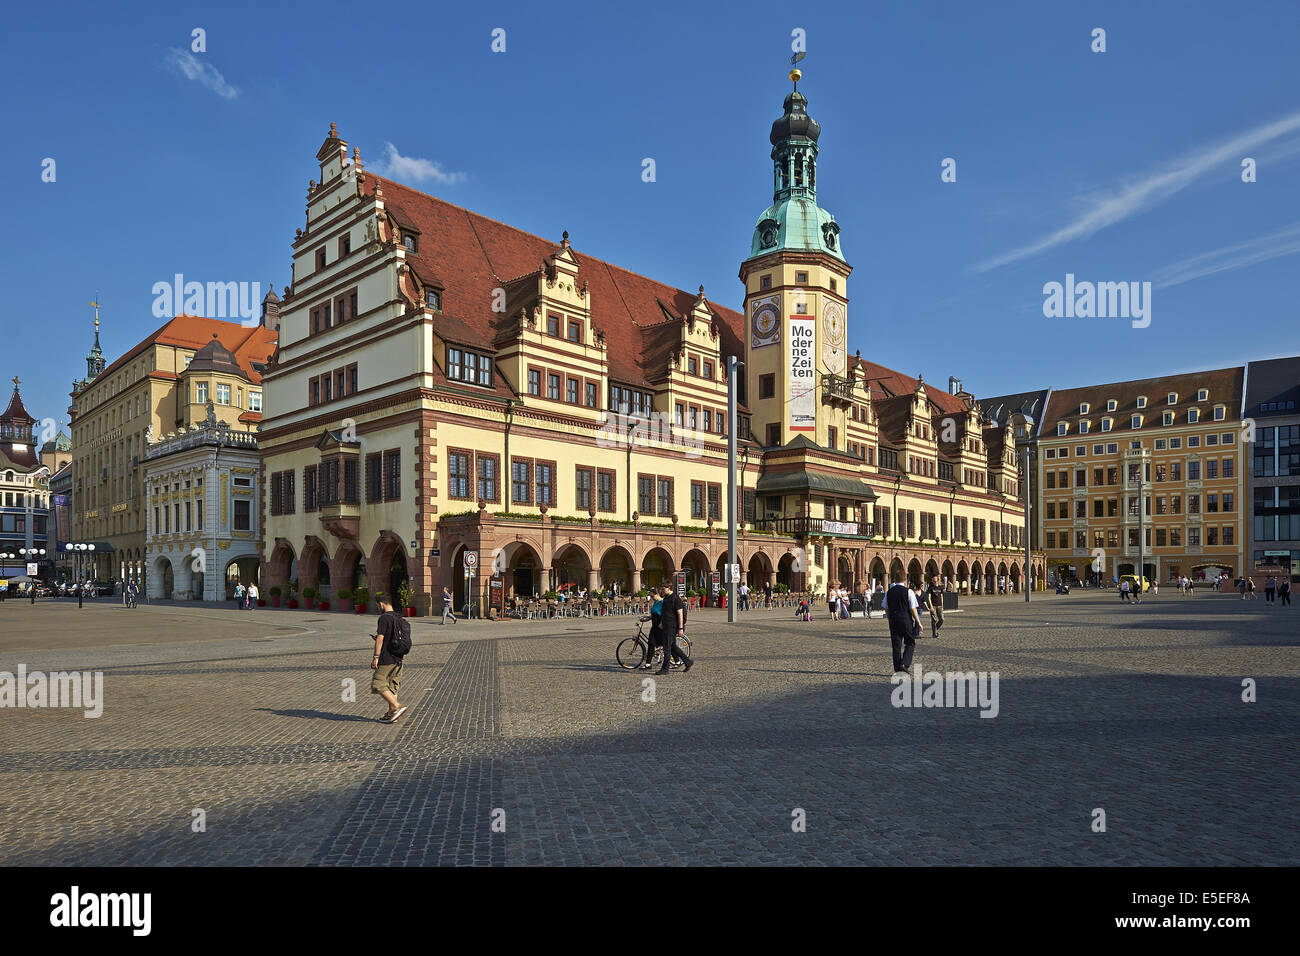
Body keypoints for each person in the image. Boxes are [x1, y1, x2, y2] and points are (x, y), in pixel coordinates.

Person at [371, 594, 411, 723]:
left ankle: (396, 706)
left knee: (378, 683)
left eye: (378, 605)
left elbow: (380, 638)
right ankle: (391, 714)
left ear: (382, 604)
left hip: (387, 657)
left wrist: (376, 657)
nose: (378, 607)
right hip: (399, 656)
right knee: (393, 685)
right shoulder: (399, 617)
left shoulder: (384, 618)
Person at [886, 570, 921, 675]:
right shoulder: (908, 591)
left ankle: (897, 668)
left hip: (893, 620)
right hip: (905, 620)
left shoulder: (889, 591)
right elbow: (913, 608)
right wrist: (918, 622)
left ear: (894, 579)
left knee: (896, 645)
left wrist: (889, 618)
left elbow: (885, 607)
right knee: (910, 642)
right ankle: (904, 664)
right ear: (905, 579)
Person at [656, 583, 693, 674]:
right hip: (666, 626)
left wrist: (680, 628)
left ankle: (665, 669)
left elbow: (680, 613)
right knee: (672, 647)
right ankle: (687, 662)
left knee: (667, 648)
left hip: (672, 626)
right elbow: (665, 612)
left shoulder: (675, 598)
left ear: (668, 588)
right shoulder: (666, 598)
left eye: (663, 588)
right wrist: (661, 622)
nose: (662, 590)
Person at [925, 574, 945, 639]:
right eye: (933, 581)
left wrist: (942, 604)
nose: (934, 582)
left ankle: (935, 630)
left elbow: (941, 596)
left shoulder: (940, 587)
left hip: (939, 605)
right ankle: (934, 634)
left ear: (938, 581)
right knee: (934, 620)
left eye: (935, 581)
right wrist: (930, 606)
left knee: (941, 619)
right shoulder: (930, 588)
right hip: (933, 605)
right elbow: (928, 597)